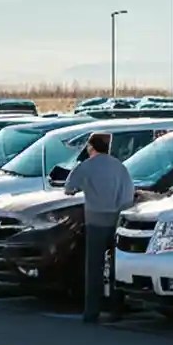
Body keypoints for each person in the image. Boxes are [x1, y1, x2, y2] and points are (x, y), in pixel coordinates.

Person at [64, 132, 135, 323]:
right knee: (114, 267)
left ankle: (91, 311)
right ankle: (116, 309)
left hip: (95, 221)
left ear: (90, 147)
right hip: (117, 221)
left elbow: (69, 188)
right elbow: (129, 193)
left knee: (94, 268)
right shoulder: (119, 167)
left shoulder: (86, 166)